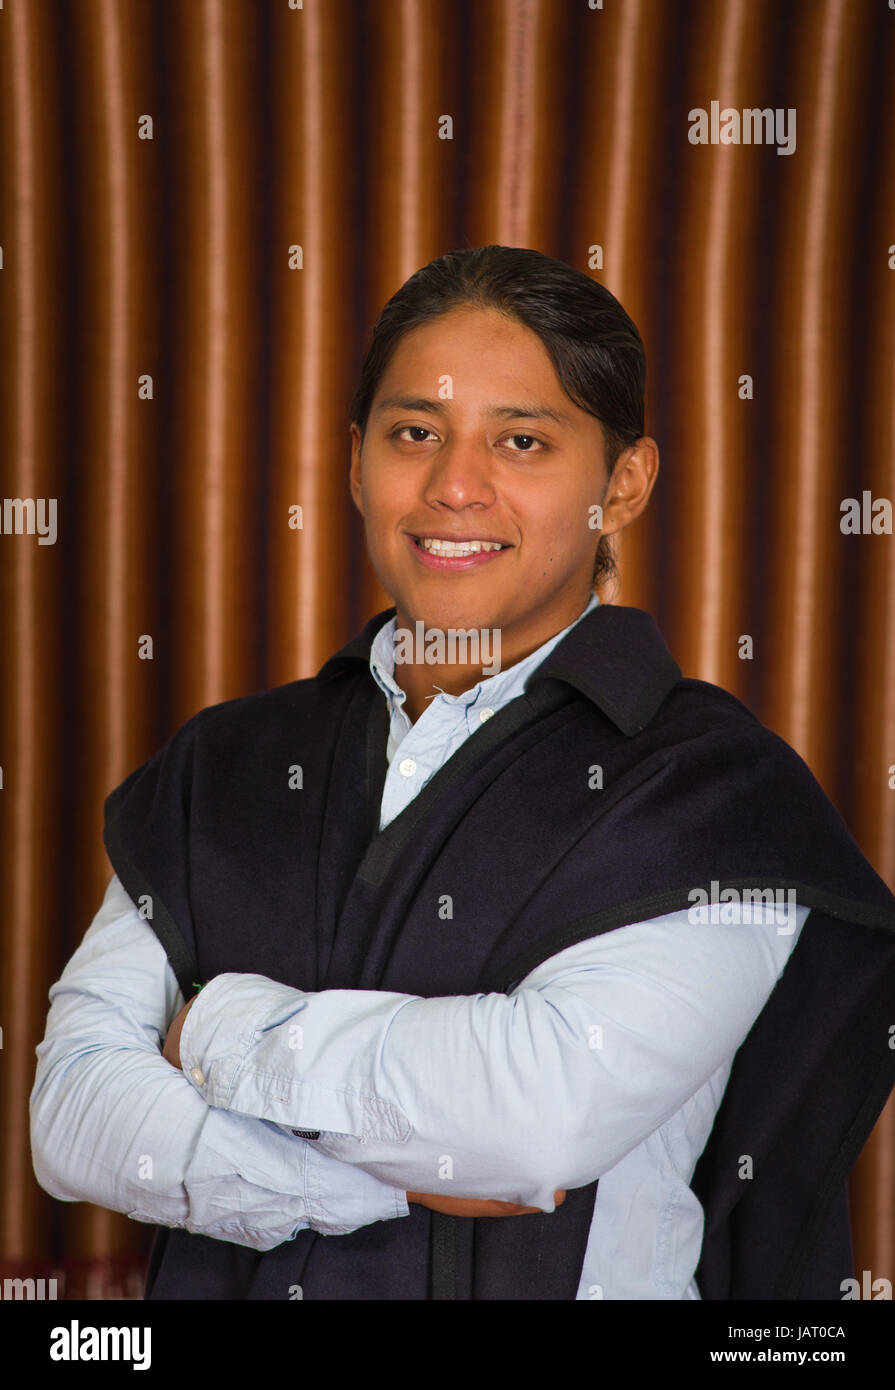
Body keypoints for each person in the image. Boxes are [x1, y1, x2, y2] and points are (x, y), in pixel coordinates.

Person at [31, 245, 895, 1301]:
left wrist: (209, 1027)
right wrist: (370, 1177)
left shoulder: (716, 792)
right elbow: (72, 1115)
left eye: (521, 440)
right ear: (355, 462)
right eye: (413, 434)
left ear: (621, 483)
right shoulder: (227, 760)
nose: (453, 486)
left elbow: (535, 1118)